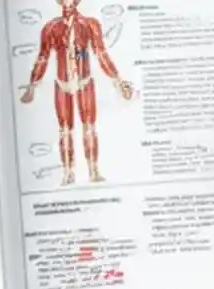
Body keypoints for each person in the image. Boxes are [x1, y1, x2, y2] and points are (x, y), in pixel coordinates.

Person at [21, 0, 135, 185]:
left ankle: (93, 170)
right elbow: (43, 57)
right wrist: (33, 85)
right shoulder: (51, 27)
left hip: (84, 82)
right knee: (65, 130)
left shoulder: (90, 24)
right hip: (62, 84)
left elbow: (101, 54)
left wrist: (118, 81)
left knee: (89, 127)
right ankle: (68, 172)